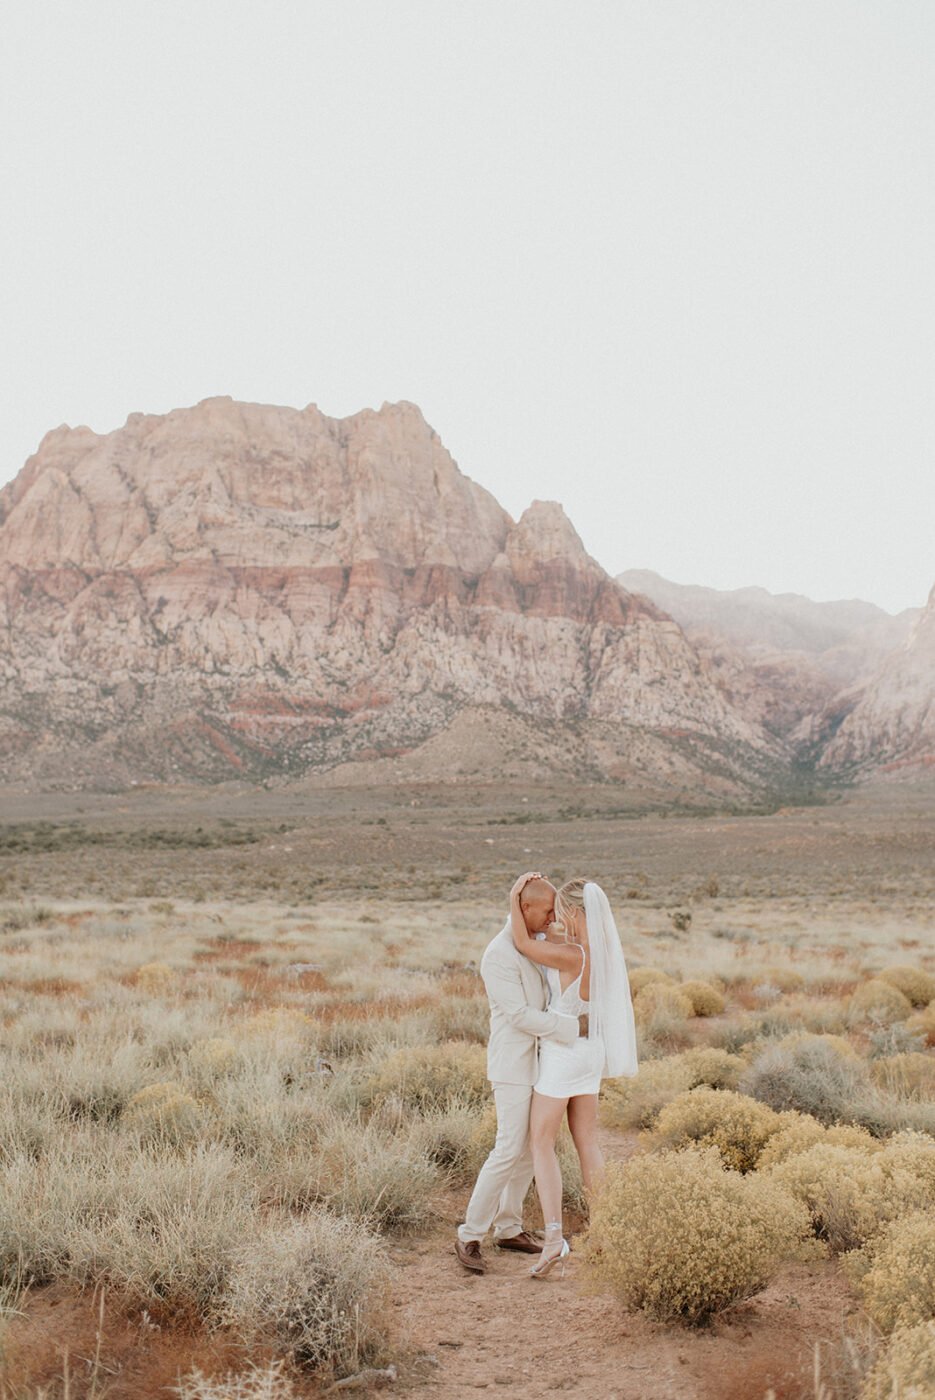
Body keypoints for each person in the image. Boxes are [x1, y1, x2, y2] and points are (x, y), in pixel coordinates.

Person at [509, 871, 638, 1278]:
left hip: (564, 1055)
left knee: (541, 1141)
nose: (558, 916)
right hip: (590, 1052)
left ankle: (552, 1239)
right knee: (588, 1143)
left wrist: (515, 897)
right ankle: (603, 1233)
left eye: (563, 910)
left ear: (578, 912)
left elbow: (524, 943)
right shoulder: (595, 954)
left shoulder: (572, 956)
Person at [455, 876, 580, 1274]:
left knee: (533, 1146)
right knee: (508, 1147)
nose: (553, 917)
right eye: (546, 910)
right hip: (512, 1065)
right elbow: (518, 1015)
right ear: (525, 909)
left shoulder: (535, 943)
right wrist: (571, 1028)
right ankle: (469, 1234)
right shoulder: (498, 954)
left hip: (542, 1062)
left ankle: (509, 1228)